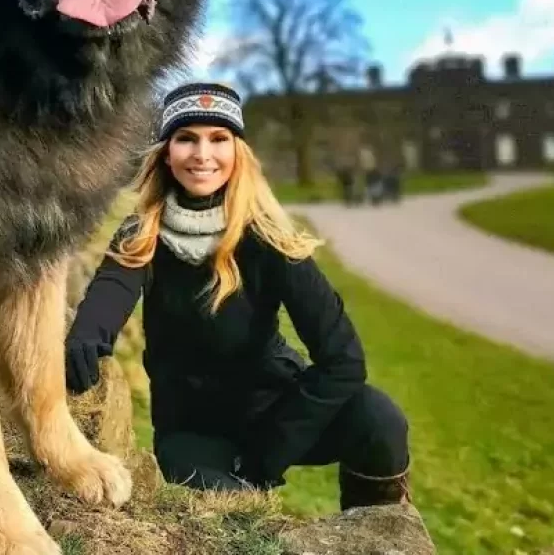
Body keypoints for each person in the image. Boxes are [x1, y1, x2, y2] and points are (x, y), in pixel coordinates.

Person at [64, 82, 412, 509]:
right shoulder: (141, 234)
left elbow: (344, 360)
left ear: (237, 152)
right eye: (186, 138)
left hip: (278, 411)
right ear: (166, 152)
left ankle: (376, 533)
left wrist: (266, 454)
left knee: (378, 419)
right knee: (226, 506)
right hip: (194, 430)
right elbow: (110, 295)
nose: (202, 154)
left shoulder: (266, 235)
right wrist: (84, 336)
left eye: (218, 139)